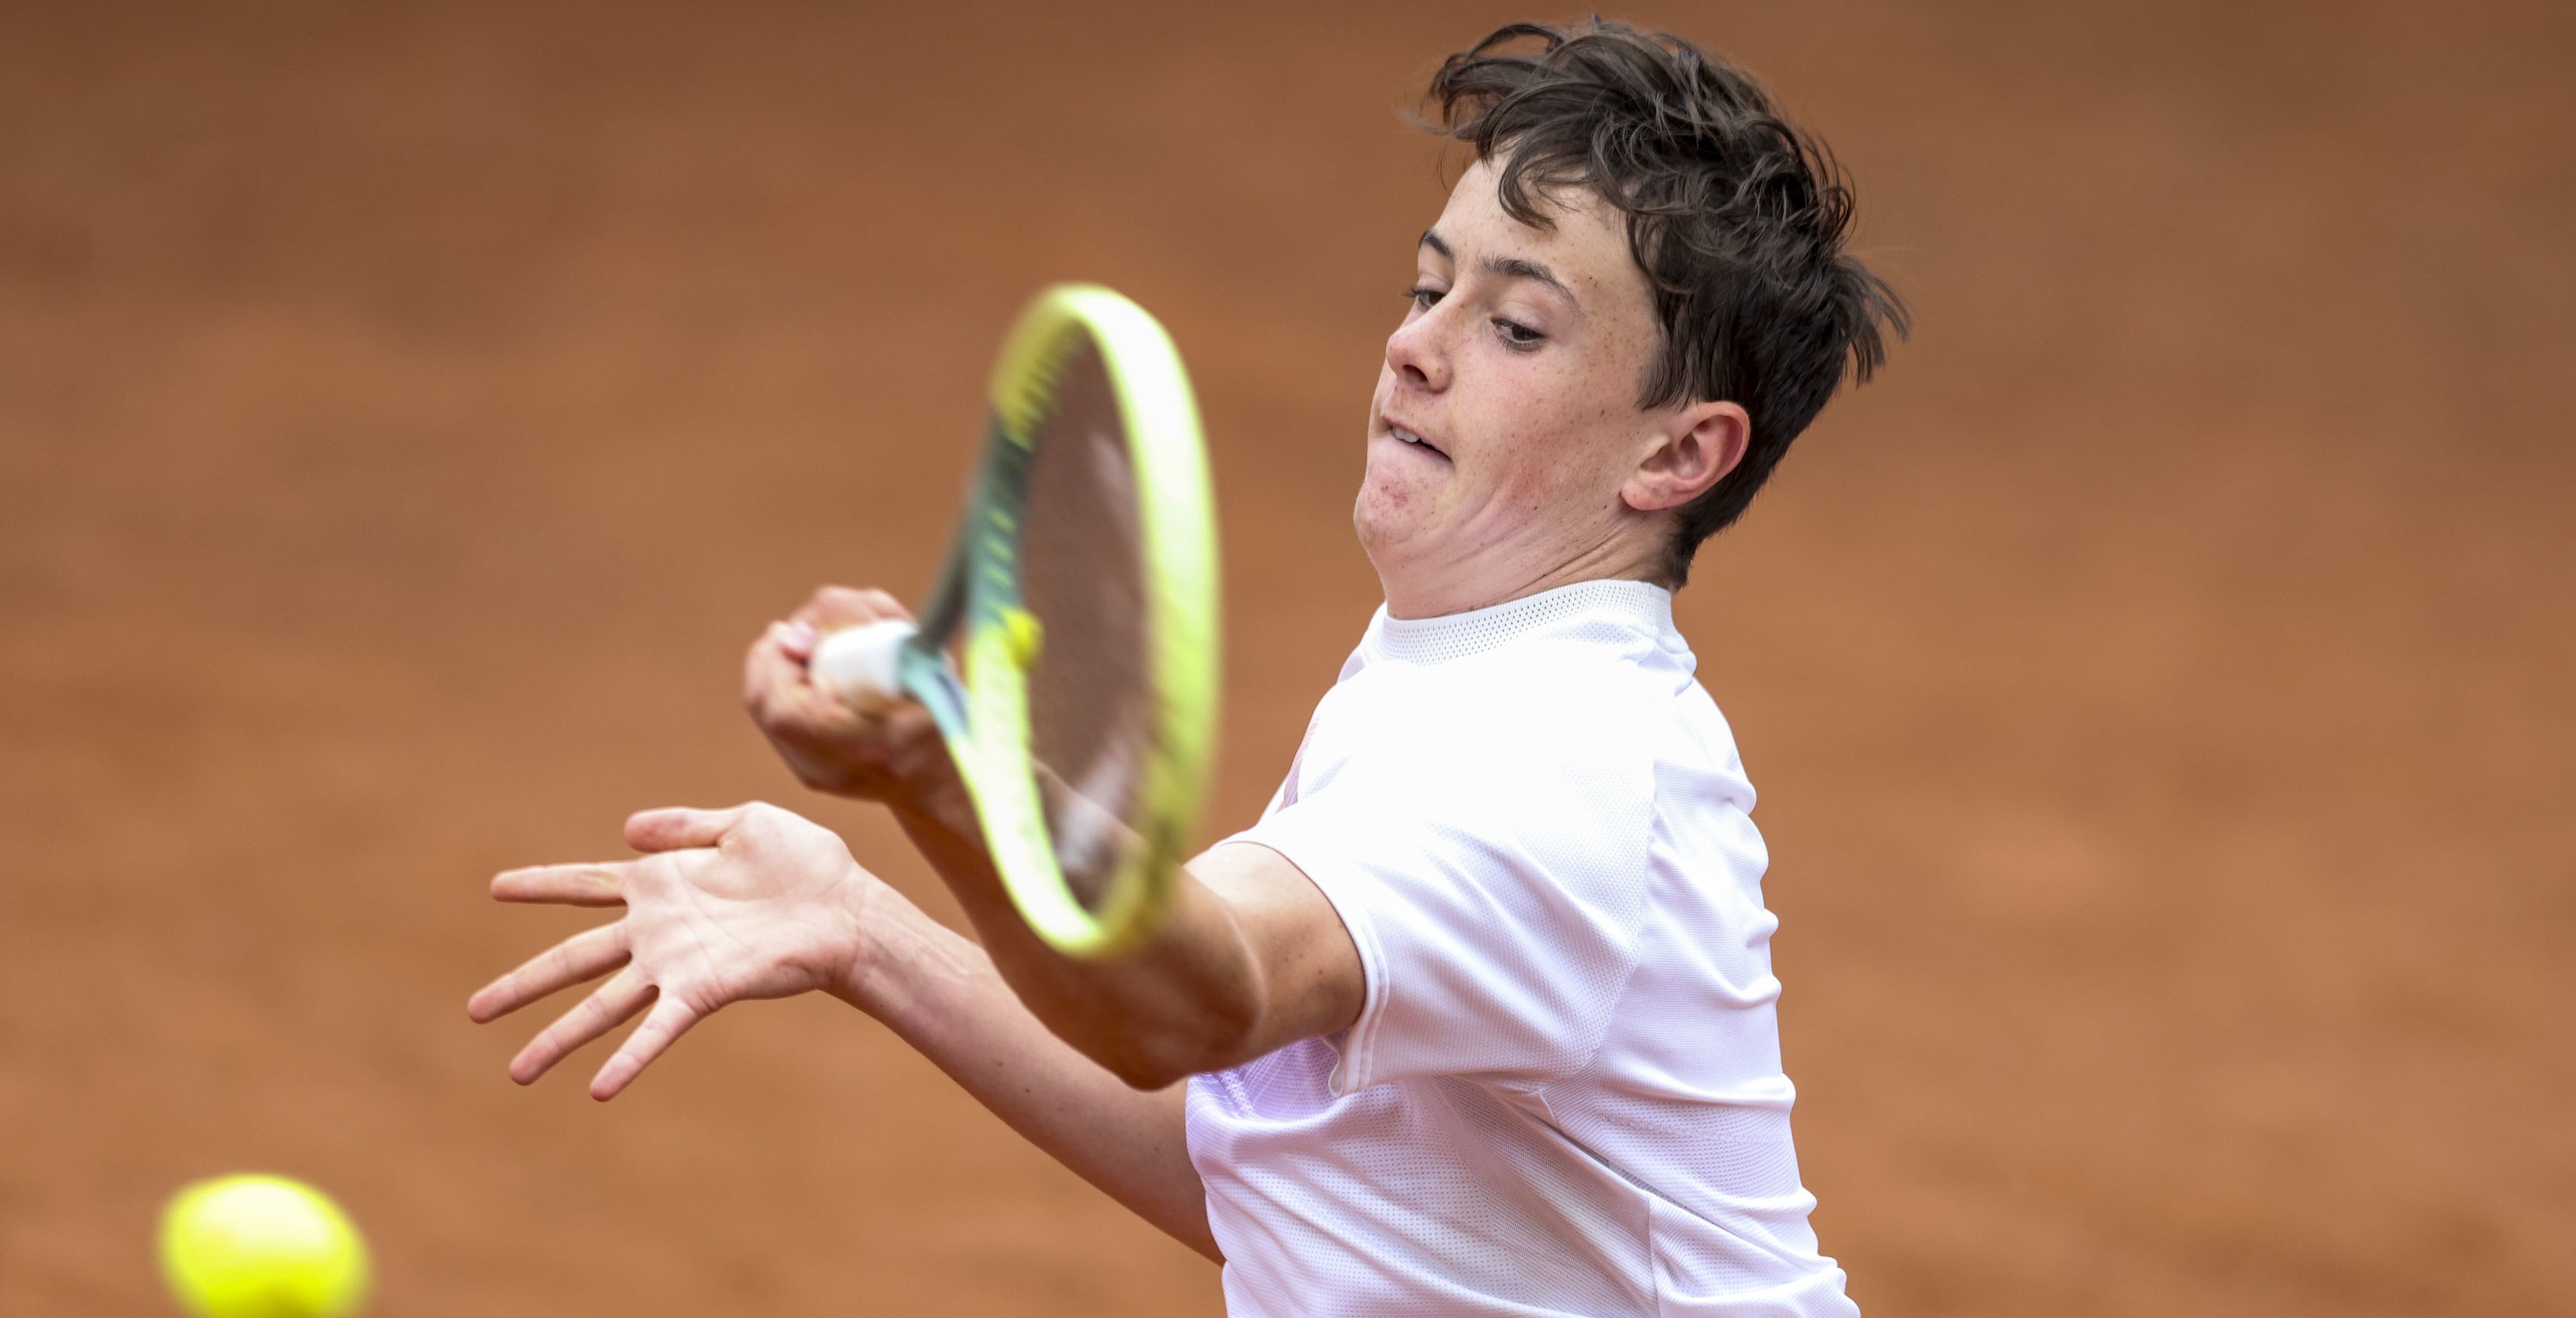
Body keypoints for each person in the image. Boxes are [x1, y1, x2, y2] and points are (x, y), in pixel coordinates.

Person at [468, 18, 1903, 1316]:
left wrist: (933, 770)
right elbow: (1280, 1186)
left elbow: (1186, 1003)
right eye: (1427, 284)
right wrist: (861, 924)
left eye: (1515, 325)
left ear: (1678, 453)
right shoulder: (1469, 664)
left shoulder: (1559, 763)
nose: (1415, 346)